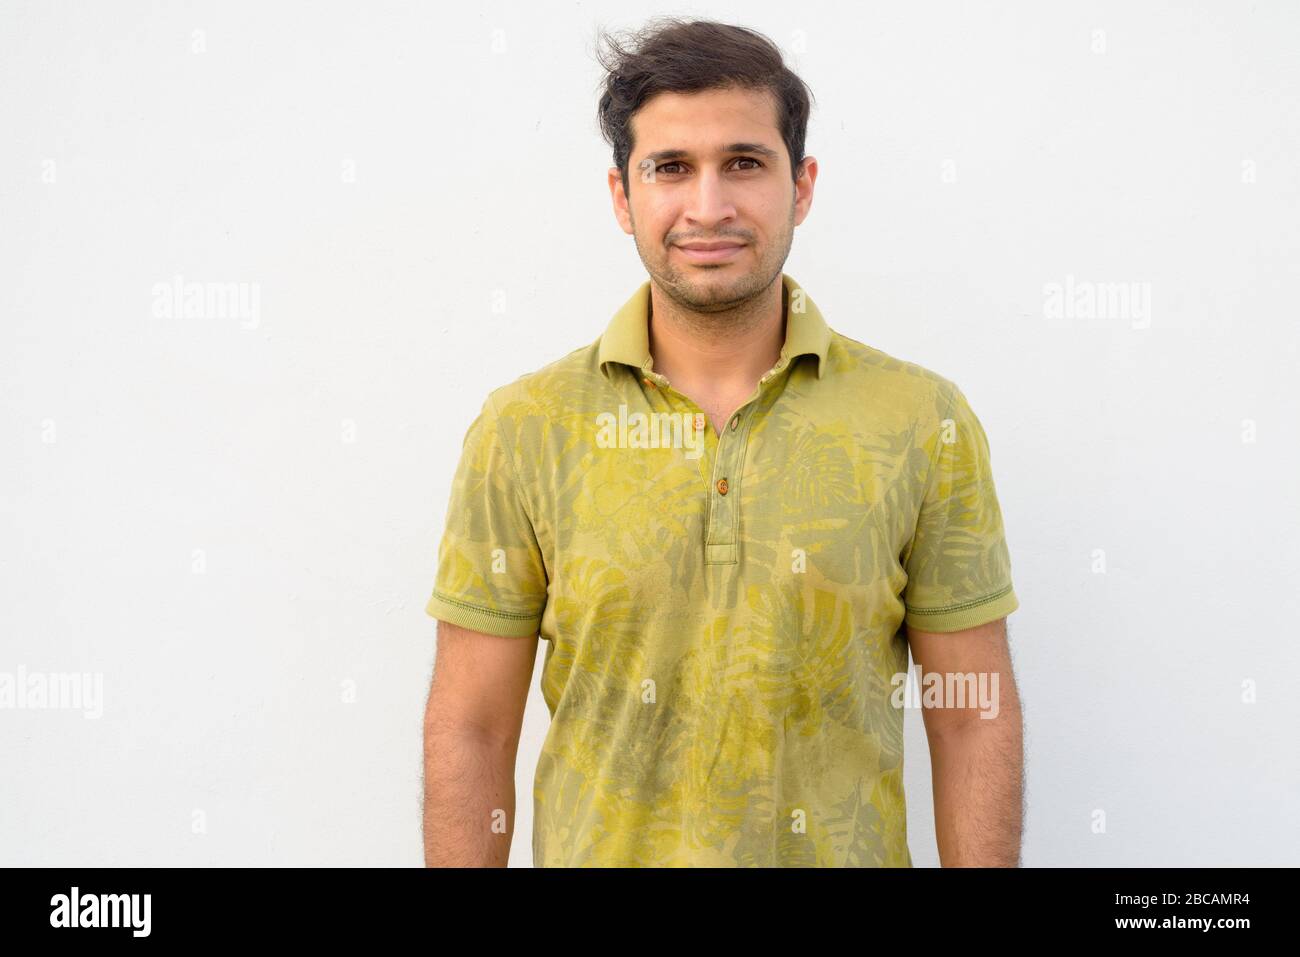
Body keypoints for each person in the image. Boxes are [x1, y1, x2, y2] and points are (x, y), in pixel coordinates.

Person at [422, 17, 1022, 867]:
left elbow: (971, 714)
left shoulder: (924, 422)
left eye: (744, 162)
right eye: (671, 168)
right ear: (622, 196)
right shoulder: (524, 430)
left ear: (801, 185)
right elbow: (472, 729)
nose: (709, 206)